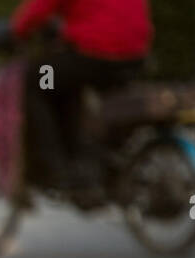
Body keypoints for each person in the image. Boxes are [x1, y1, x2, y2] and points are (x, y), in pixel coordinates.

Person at [12, 0, 153, 192]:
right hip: (135, 55)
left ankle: (52, 166)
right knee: (67, 80)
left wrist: (18, 30)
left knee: (36, 81)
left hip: (94, 54)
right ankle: (94, 160)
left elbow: (38, 10)